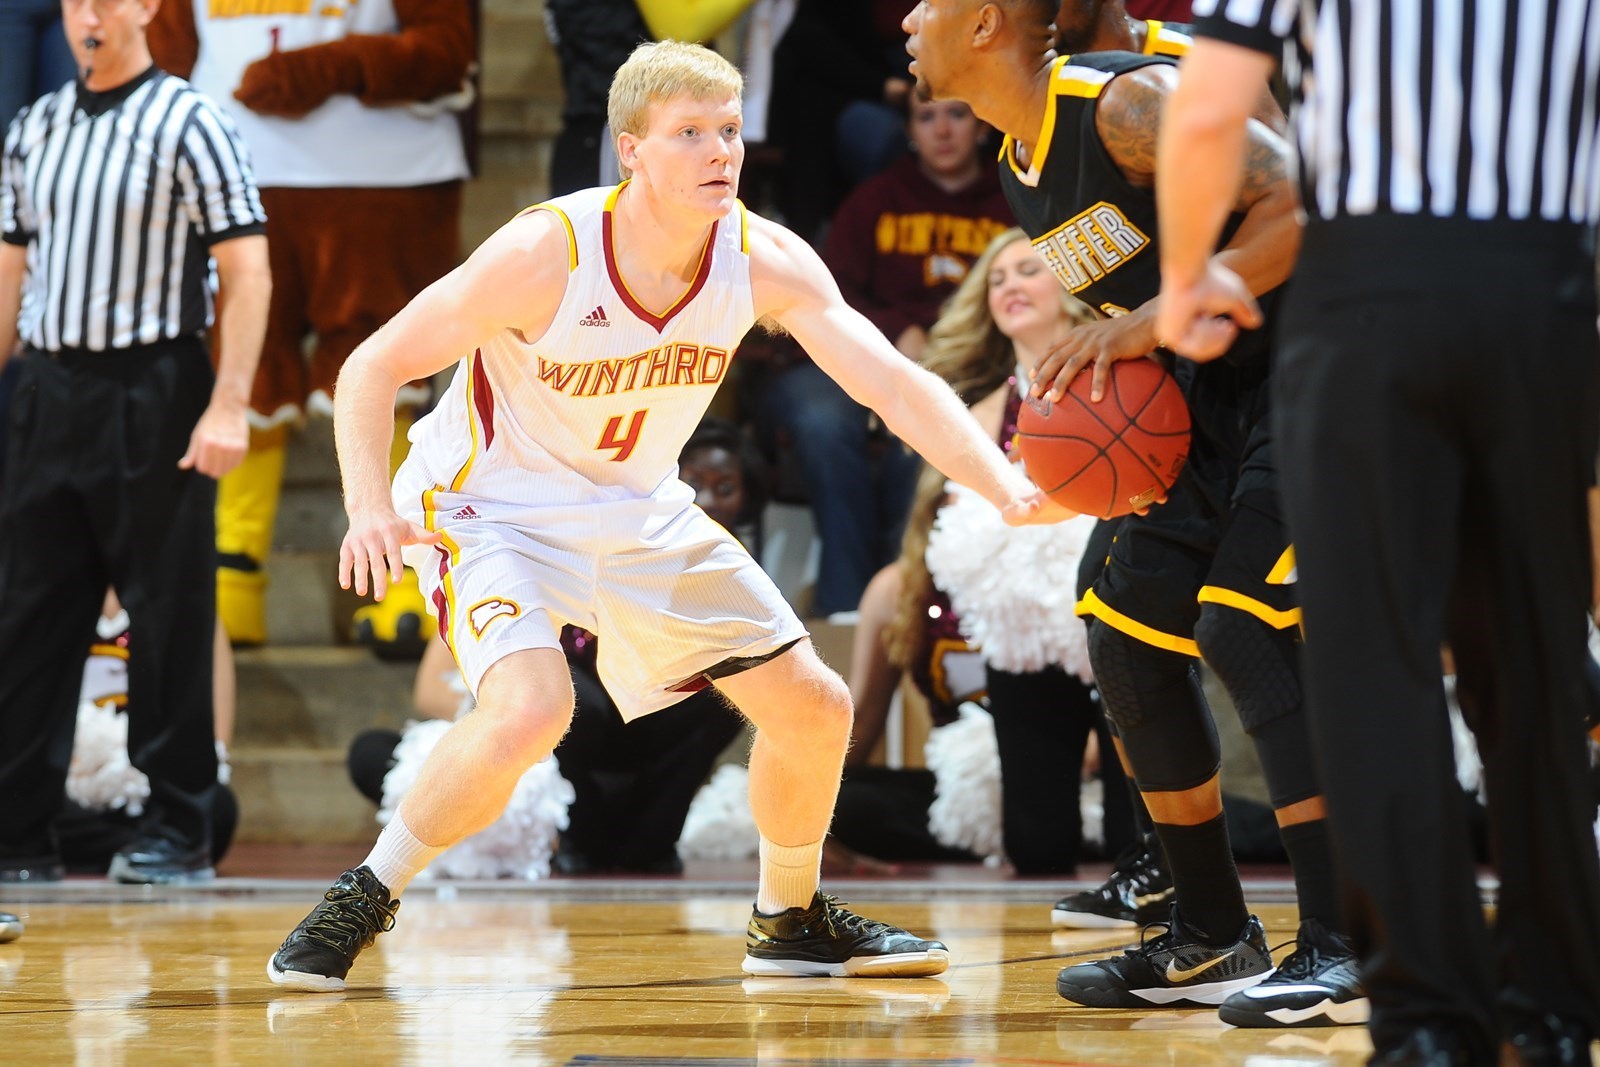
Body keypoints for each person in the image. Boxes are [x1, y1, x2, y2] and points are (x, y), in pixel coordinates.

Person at [266, 39, 1057, 993]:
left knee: (816, 706)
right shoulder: (545, 252)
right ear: (631, 149)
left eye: (729, 129)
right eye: (689, 132)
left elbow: (891, 382)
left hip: (633, 503)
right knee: (533, 707)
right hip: (490, 503)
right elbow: (372, 365)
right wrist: (365, 508)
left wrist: (1003, 483)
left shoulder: (762, 256)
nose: (719, 151)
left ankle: (789, 918)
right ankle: (362, 895)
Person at [902, 0, 1365, 1028]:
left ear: (986, 24)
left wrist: (1160, 317)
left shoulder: (1122, 103)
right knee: (1122, 626)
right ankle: (1210, 930)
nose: (910, 17)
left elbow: (1303, 199)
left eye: (931, 2)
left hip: (1316, 368)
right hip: (1212, 397)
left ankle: (1347, 938)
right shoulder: (1017, 156)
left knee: (1244, 625)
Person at [1153, 1, 1600, 1062]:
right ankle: (1553, 1008)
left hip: (1366, 295)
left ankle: (1428, 1020)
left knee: (1373, 668)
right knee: (1533, 662)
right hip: (1543, 295)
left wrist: (1185, 277)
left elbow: (1208, 106)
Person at [0, 0, 269, 885]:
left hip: (153, 383)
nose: (90, 14)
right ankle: (16, 831)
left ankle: (178, 825)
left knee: (167, 609)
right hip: (48, 385)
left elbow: (247, 271)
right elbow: (10, 269)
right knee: (27, 612)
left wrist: (228, 402)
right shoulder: (36, 126)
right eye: (77, 0)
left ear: (148, 6)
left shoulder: (191, 120)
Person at [146, 0, 475, 648]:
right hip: (230, 181)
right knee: (245, 370)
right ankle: (231, 577)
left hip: (380, 180)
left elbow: (445, 49)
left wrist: (328, 67)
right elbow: (161, 56)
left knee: (389, 367)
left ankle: (403, 576)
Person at [346, 417, 765, 876]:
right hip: (551, 747)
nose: (707, 499)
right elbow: (431, 690)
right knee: (555, 698)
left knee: (737, 679)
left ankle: (646, 836)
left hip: (643, 743)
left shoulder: (710, 564)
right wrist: (511, 706)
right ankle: (559, 832)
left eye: (726, 488)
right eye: (693, 482)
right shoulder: (510, 539)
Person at [762, 95, 1015, 620]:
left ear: (982, 128)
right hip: (855, 355)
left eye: (957, 115)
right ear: (910, 132)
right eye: (926, 117)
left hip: (971, 368)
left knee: (926, 433)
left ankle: (904, 609)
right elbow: (821, 293)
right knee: (821, 421)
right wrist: (899, 332)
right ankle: (845, 608)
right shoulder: (876, 198)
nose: (942, 130)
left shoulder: (1011, 204)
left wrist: (942, 347)